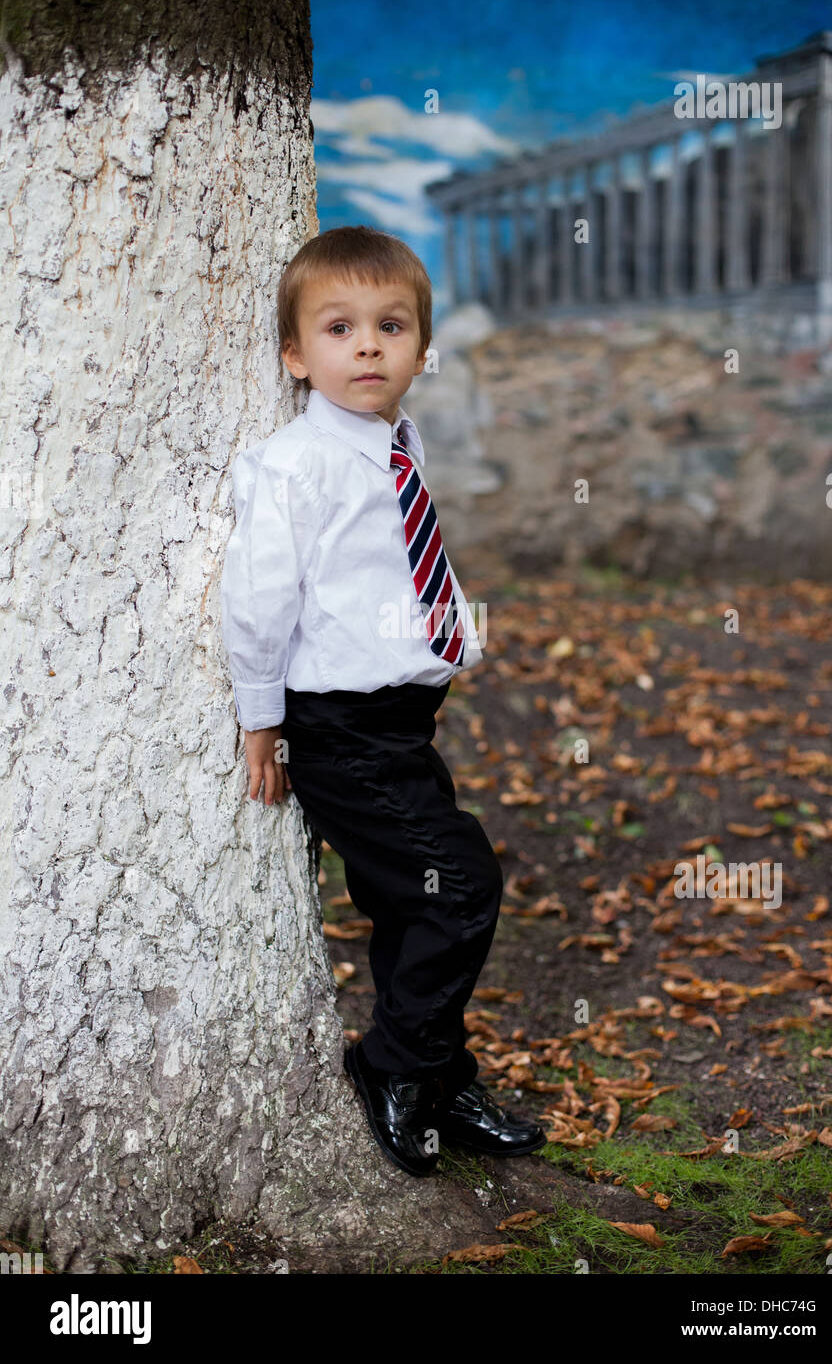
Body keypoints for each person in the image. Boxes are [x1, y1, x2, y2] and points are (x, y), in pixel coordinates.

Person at [220, 224, 546, 1177]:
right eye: (339, 327)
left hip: (402, 724)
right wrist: (261, 719)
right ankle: (394, 1067)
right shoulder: (295, 465)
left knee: (411, 900)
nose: (368, 345)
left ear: (421, 349)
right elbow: (259, 600)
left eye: (391, 325)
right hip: (339, 726)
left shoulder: (394, 445)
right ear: (294, 354)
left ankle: (440, 1074)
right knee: (463, 884)